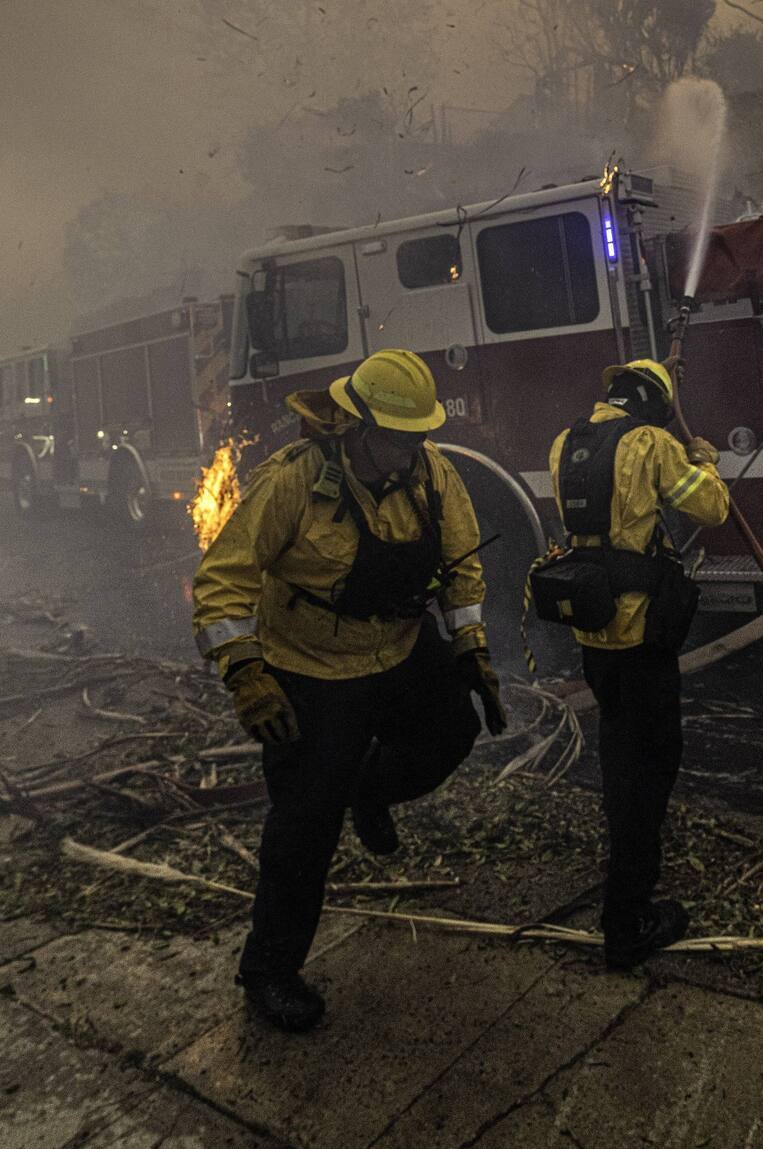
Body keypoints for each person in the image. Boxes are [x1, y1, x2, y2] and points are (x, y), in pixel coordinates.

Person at [192, 348, 505, 1033]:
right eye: (397, 439)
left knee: (452, 732)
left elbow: (462, 572)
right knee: (305, 825)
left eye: (418, 437)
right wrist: (247, 675)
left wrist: (470, 650)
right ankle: (269, 971)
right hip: (312, 666)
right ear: (355, 426)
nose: (409, 453)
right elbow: (221, 584)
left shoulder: (433, 476)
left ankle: (372, 790)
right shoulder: (294, 481)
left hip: (394, 647)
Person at [547, 358, 729, 970]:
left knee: (619, 754)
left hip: (595, 633)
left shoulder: (564, 442)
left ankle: (625, 885)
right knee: (651, 768)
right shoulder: (652, 443)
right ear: (653, 404)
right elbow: (711, 509)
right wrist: (703, 460)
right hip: (643, 634)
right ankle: (628, 920)